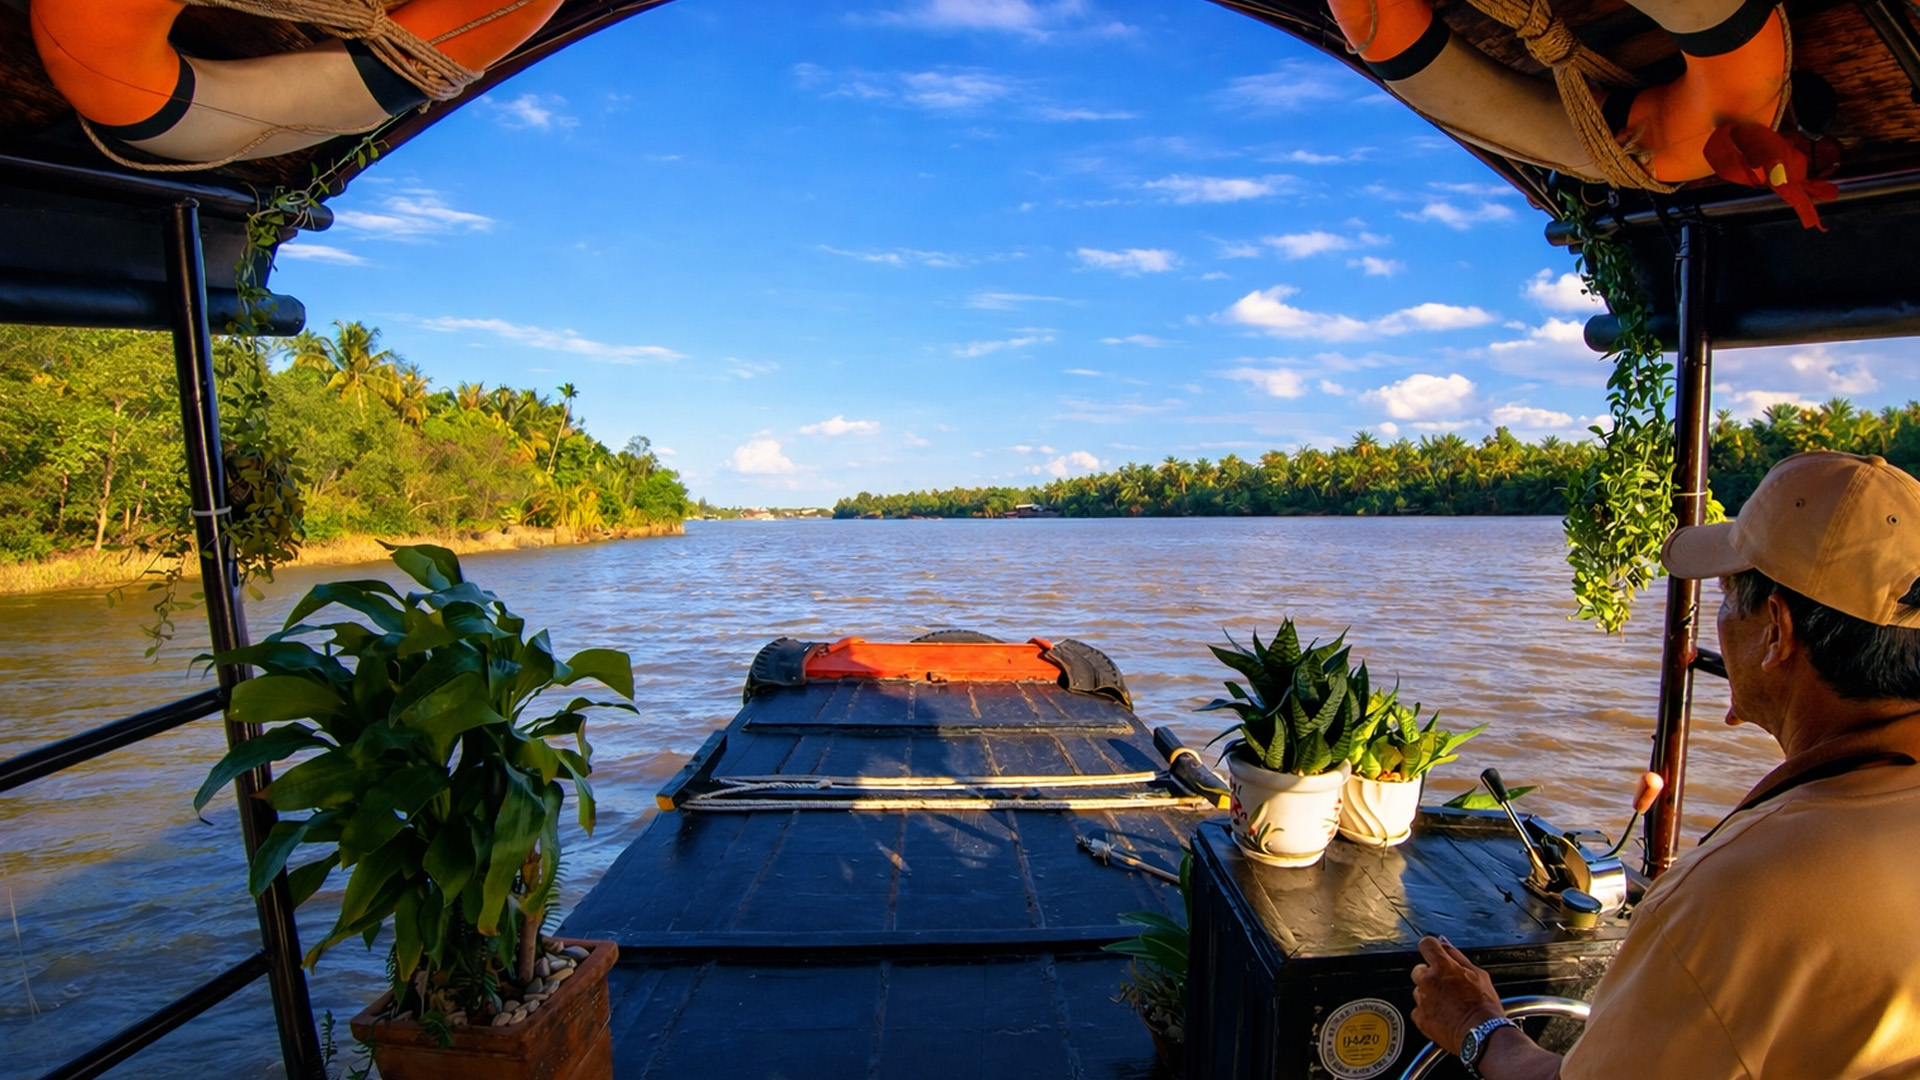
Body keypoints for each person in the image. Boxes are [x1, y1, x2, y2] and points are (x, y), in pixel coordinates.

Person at [1409, 450, 1920, 1080]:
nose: (1720, 623)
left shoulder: (1740, 894)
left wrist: (1477, 1027)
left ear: (1775, 634)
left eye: (1730, 596)